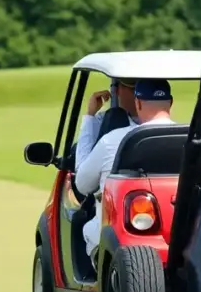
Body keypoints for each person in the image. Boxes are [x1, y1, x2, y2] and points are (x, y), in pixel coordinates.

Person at [75, 79, 175, 265]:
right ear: (171, 103)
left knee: (90, 230)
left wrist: (89, 117)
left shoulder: (112, 140)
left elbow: (82, 184)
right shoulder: (194, 139)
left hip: (124, 242)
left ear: (137, 103)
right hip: (180, 238)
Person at [74, 78, 139, 170]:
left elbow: (81, 172)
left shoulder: (108, 138)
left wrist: (90, 115)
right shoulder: (164, 127)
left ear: (116, 91)